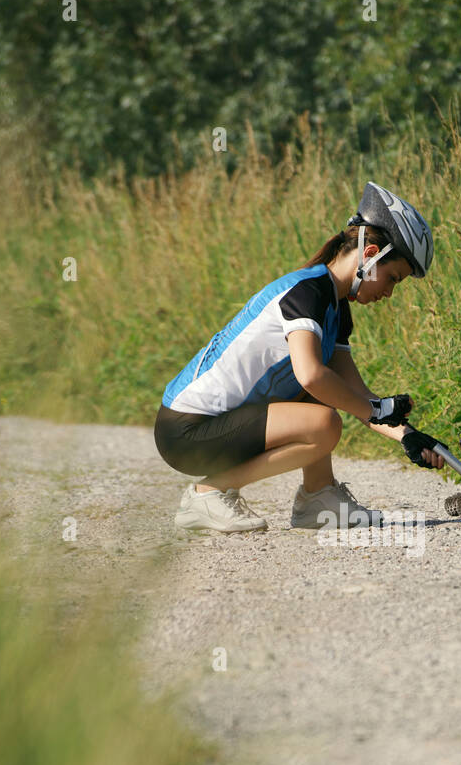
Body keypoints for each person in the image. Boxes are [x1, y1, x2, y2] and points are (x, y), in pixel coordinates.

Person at [153, 181, 445, 534]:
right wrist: (374, 410)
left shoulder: (335, 308)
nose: (389, 292)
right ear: (370, 254)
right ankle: (209, 493)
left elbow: (357, 394)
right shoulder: (306, 293)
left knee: (326, 398)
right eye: (393, 278)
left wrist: (410, 437)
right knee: (324, 421)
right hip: (185, 432)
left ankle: (318, 498)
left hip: (222, 426)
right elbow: (310, 376)